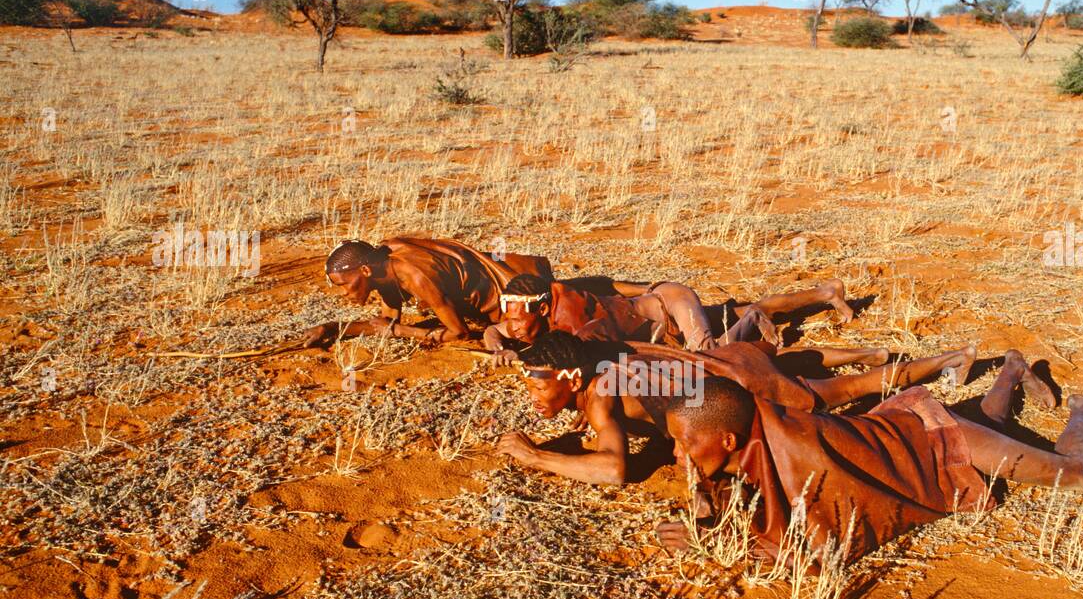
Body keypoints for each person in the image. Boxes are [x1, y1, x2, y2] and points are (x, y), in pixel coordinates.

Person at [652, 355, 1083, 564]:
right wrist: (703, 522)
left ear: (730, 442)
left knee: (1070, 477)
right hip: (899, 432)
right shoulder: (725, 446)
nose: (676, 454)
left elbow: (822, 550)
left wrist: (713, 543)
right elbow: (722, 508)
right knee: (997, 429)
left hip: (933, 443)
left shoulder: (792, 446)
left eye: (685, 443)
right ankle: (1011, 369)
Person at [495, 330, 979, 486]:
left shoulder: (599, 392)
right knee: (828, 382)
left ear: (571, 379)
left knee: (847, 392)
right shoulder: (595, 366)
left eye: (539, 389)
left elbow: (616, 469)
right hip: (725, 370)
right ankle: (908, 357)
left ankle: (949, 359)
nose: (533, 398)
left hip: (741, 390)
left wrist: (536, 456)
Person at [305, 237, 645, 348]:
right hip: (508, 275)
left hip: (505, 296)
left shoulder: (415, 275)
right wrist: (334, 331)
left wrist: (400, 331)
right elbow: (385, 318)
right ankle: (645, 290)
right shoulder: (383, 259)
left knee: (585, 303)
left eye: (344, 285)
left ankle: (649, 298)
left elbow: (459, 331)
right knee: (576, 288)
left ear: (364, 272)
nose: (345, 294)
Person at [483, 273, 856, 364]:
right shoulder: (525, 313)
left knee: (709, 359)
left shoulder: (574, 317)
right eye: (512, 322)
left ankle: (756, 319)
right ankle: (826, 292)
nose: (514, 328)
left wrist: (522, 355)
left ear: (544, 310)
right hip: (661, 312)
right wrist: (499, 346)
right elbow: (491, 330)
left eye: (518, 322)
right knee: (738, 309)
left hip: (672, 304)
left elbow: (581, 354)